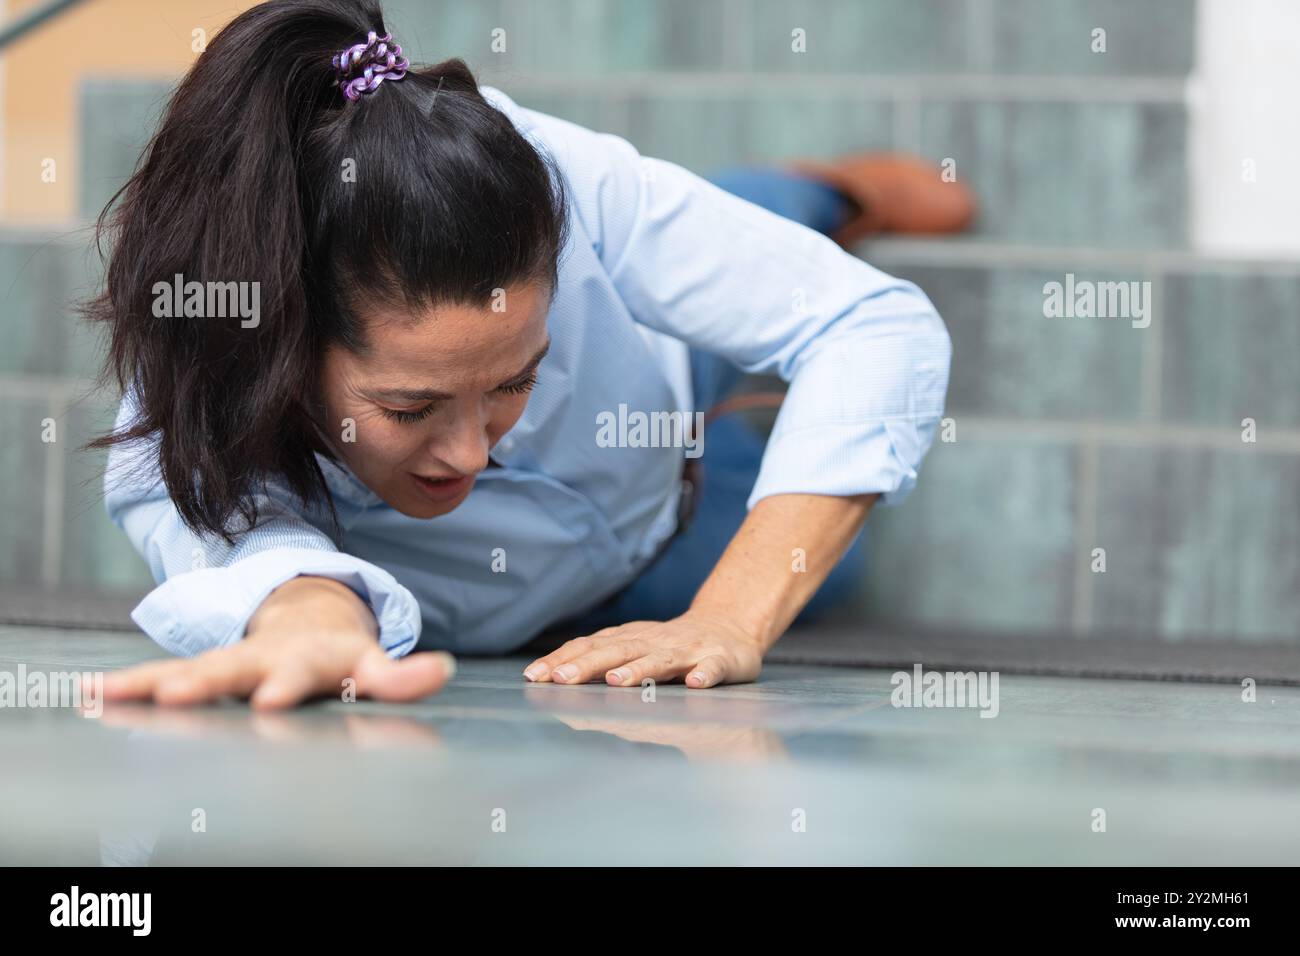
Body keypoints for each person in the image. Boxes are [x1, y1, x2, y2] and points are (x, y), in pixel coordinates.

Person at [89, 0, 969, 710]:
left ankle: (830, 182)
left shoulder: (554, 177)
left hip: (657, 404)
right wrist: (311, 618)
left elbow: (873, 324)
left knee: (761, 215)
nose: (472, 453)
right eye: (410, 407)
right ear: (283, 350)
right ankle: (742, 428)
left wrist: (735, 616)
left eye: (516, 380)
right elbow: (250, 547)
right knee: (839, 563)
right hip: (628, 582)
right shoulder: (198, 386)